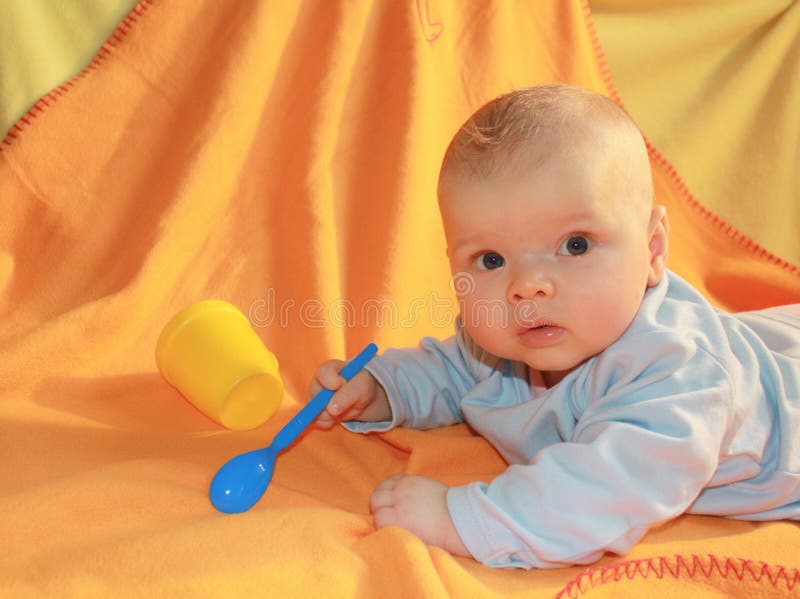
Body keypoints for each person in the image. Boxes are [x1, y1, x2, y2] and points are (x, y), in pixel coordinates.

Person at [308, 83, 800, 569]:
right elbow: (452, 369)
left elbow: (605, 492)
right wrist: (383, 389)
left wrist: (462, 518)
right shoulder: (503, 343)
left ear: (652, 252)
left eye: (576, 245)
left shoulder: (675, 375)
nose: (527, 285)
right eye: (492, 259)